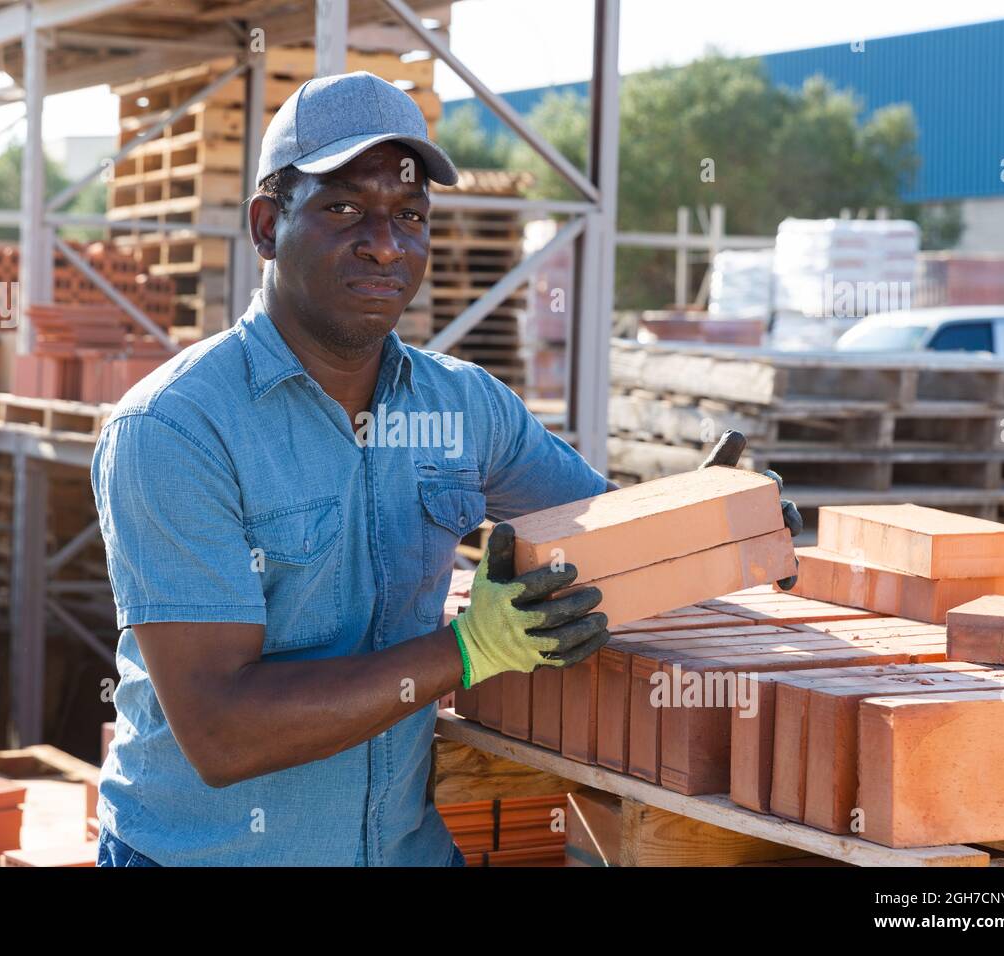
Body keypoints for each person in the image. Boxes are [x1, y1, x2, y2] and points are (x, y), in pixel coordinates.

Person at [91, 71, 799, 866]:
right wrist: (469, 650)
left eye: (411, 215)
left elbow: (608, 532)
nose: (386, 244)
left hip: (402, 849)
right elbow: (221, 731)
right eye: (344, 210)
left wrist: (722, 515)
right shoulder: (176, 429)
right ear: (266, 225)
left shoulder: (463, 406)